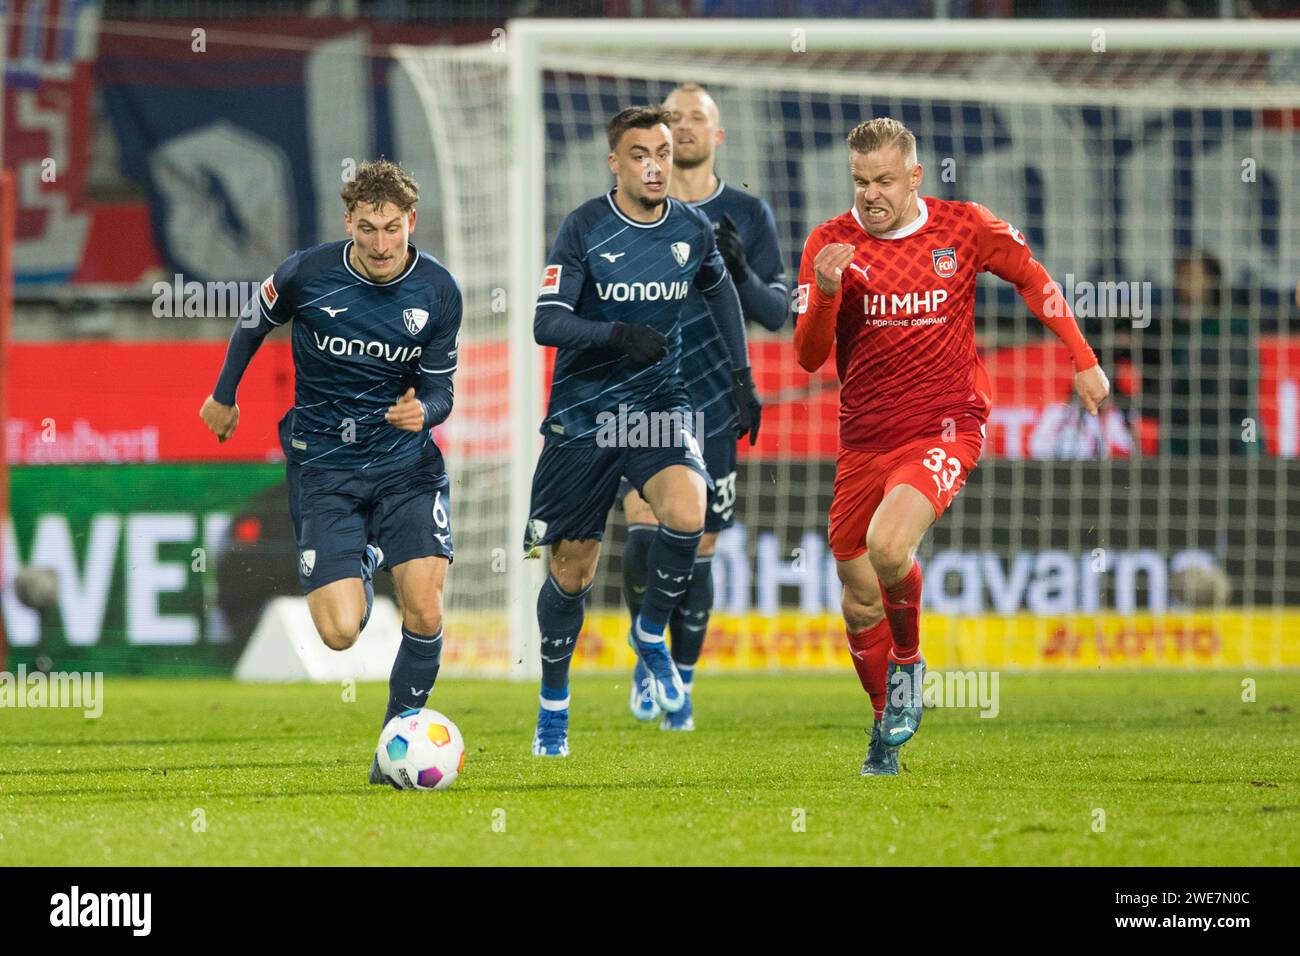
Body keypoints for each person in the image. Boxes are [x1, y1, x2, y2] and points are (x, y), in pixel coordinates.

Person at [794, 118, 1109, 775]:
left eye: (883, 181)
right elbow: (808, 357)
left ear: (915, 177)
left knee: (888, 546)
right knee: (856, 595)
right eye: (859, 182)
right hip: (863, 438)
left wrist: (1082, 357)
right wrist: (824, 293)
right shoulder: (829, 243)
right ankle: (884, 729)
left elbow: (1032, 276)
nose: (870, 195)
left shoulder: (963, 227)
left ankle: (910, 664)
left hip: (946, 422)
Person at [198, 159, 461, 784]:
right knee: (340, 634)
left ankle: (392, 750)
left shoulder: (438, 291)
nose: (379, 243)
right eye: (366, 228)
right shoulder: (307, 273)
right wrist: (224, 395)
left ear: (410, 222)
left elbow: (443, 389)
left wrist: (422, 410)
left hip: (406, 469)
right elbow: (250, 323)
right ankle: (362, 564)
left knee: (424, 610)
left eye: (391, 228)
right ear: (348, 222)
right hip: (325, 471)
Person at [523, 106, 761, 757]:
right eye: (639, 154)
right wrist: (617, 335)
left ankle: (650, 634)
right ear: (615, 163)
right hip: (585, 415)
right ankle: (553, 706)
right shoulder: (585, 228)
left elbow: (721, 294)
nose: (655, 164)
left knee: (689, 511)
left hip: (660, 405)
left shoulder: (692, 227)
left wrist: (741, 378)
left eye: (662, 151)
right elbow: (546, 322)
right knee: (573, 571)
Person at [619, 82, 788, 732]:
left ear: (717, 136)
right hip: (644, 395)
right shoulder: (630, 212)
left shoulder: (747, 212)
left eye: (697, 119)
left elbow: (778, 315)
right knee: (644, 531)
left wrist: (741, 272)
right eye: (672, 118)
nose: (684, 127)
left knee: (700, 545)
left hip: (717, 400)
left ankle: (679, 683)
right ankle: (650, 650)